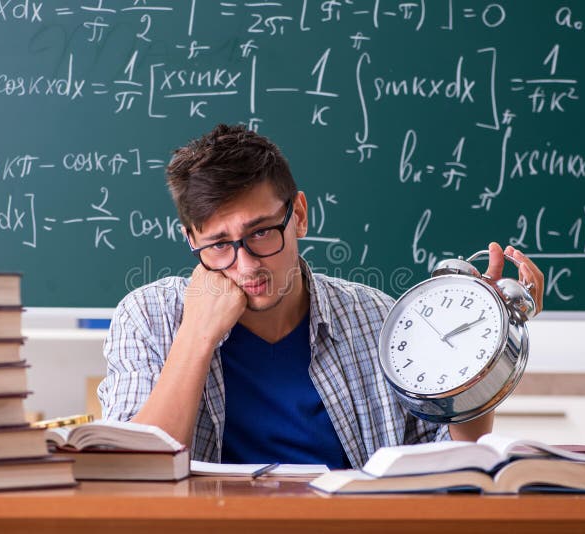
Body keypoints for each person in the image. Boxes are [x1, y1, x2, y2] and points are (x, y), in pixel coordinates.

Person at [98, 124, 544, 469]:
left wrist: (480, 350)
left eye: (262, 233)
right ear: (190, 239)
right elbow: (137, 472)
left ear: (300, 216)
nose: (247, 264)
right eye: (218, 245)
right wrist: (196, 334)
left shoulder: (377, 320)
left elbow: (451, 465)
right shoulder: (148, 317)